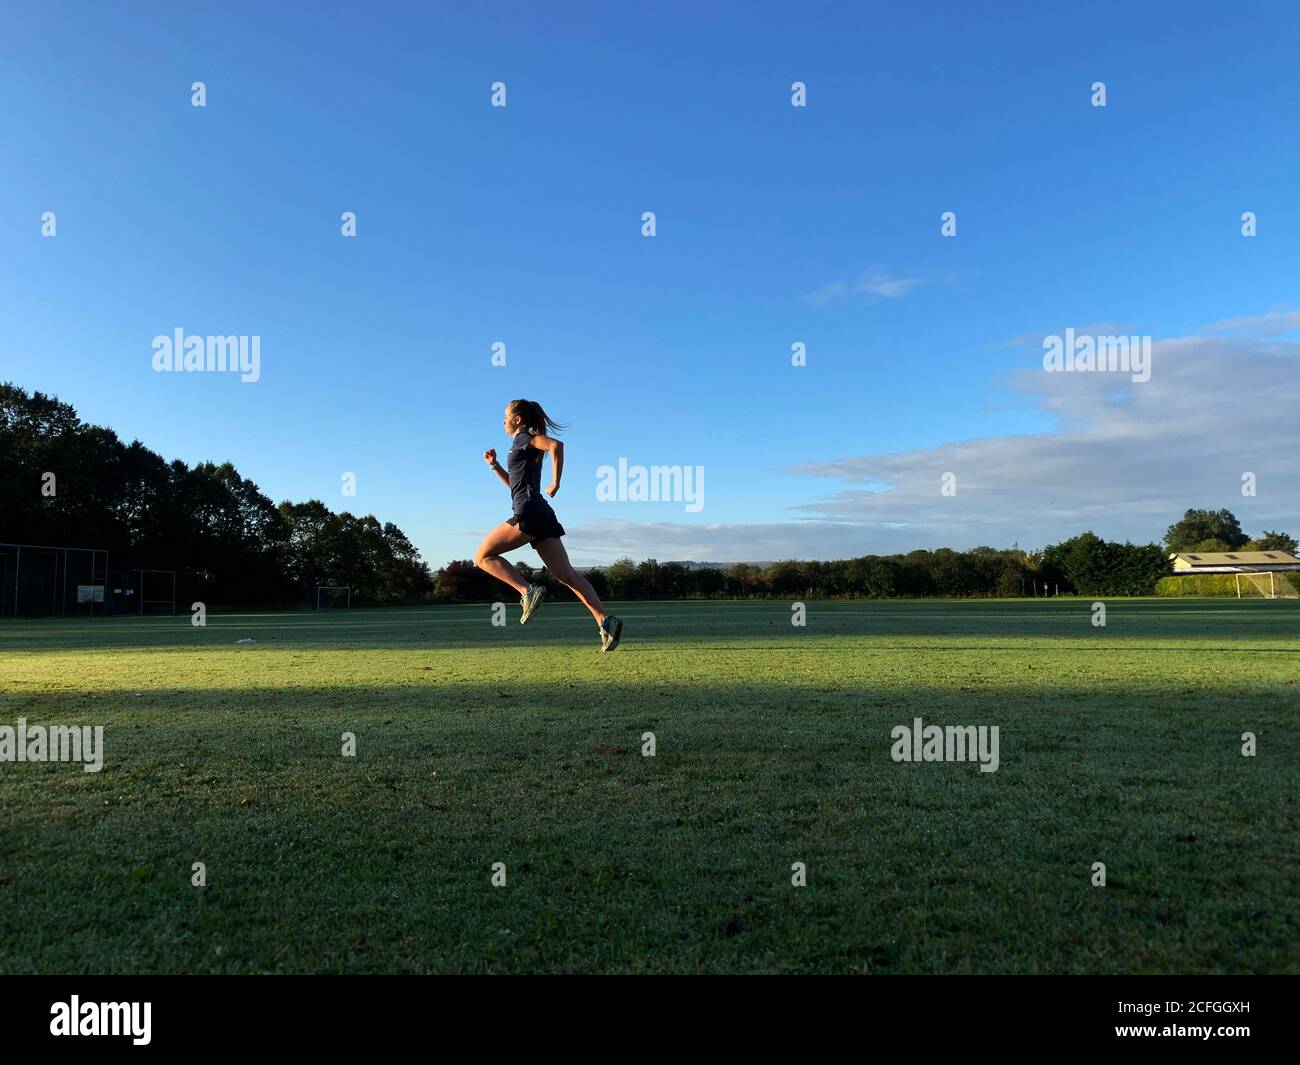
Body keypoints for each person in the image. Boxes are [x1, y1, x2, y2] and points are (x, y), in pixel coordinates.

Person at [474, 399, 623, 652]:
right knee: (567, 575)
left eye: (505, 416)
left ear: (518, 419)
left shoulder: (524, 438)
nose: (503, 421)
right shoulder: (521, 445)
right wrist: (494, 466)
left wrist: (556, 482)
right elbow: (516, 486)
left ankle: (526, 591)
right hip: (541, 513)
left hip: (529, 511)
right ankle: (605, 621)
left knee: (482, 556)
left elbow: (556, 445)